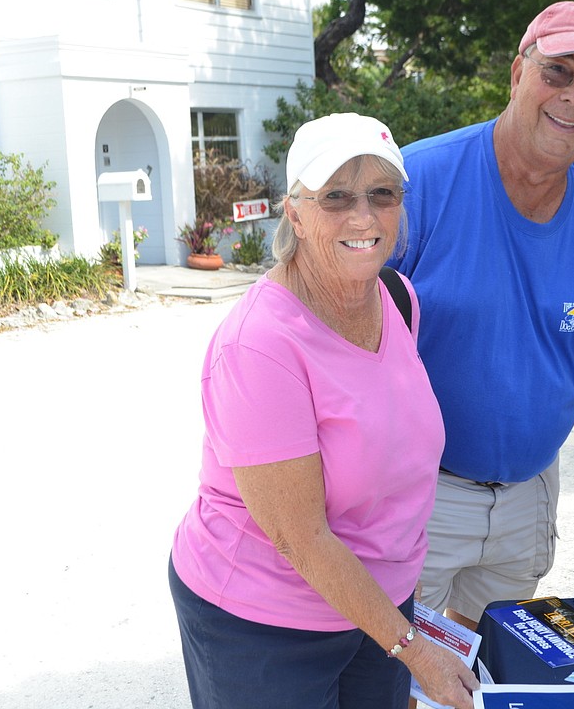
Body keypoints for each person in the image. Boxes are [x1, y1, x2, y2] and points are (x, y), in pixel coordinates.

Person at [386, 0, 574, 631]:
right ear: (518, 73)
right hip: (416, 496)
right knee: (397, 674)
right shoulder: (418, 182)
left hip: (527, 498)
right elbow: (331, 332)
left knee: (483, 671)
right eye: (558, 72)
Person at [168, 113, 478, 709]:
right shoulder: (260, 345)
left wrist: (397, 626)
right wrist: (415, 650)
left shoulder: (396, 298)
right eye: (336, 197)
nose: (363, 217)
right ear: (296, 214)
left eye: (382, 194)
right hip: (261, 619)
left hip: (377, 610)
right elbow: (300, 536)